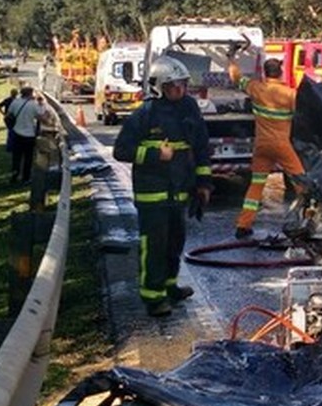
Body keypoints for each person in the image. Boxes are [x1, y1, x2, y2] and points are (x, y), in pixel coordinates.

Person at [113, 57, 213, 317]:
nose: (179, 90)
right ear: (159, 87)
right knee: (154, 245)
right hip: (152, 193)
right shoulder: (145, 114)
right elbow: (121, 151)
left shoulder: (190, 107)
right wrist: (157, 154)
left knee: (174, 242)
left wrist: (203, 183)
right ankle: (153, 296)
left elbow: (201, 146)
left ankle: (169, 286)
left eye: (182, 85)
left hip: (179, 190)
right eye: (173, 86)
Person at [226, 56, 303, 239]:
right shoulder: (290, 94)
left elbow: (235, 77)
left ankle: (243, 225)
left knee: (256, 185)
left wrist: (231, 59)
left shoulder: (256, 88)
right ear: (281, 72)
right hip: (282, 145)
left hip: (262, 146)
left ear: (265, 72)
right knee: (302, 183)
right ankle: (308, 220)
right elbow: (303, 115)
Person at [8, 86, 51, 184]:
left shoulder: (15, 102)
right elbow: (43, 118)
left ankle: (14, 176)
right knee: (28, 158)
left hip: (16, 133)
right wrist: (46, 111)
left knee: (16, 157)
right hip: (29, 135)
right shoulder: (33, 105)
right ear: (30, 94)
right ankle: (26, 178)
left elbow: (9, 114)